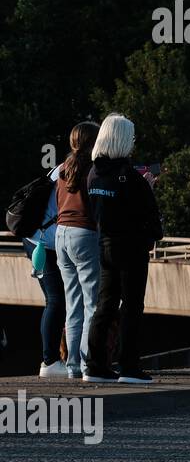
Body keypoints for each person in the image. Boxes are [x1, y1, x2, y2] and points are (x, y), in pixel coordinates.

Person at [83, 114, 164, 385]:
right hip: (131, 247)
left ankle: (94, 365)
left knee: (104, 305)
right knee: (131, 306)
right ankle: (129, 366)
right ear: (122, 139)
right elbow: (148, 215)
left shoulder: (93, 173)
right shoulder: (129, 177)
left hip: (104, 244)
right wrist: (149, 188)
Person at [54, 121, 101, 379]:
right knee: (92, 304)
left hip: (62, 235)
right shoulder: (93, 170)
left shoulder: (62, 169)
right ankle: (87, 365)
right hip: (84, 234)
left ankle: (72, 366)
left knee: (73, 304)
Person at [23, 161, 66, 377]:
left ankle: (55, 360)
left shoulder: (62, 167)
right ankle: (49, 362)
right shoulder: (72, 170)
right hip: (44, 242)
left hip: (39, 238)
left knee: (58, 299)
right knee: (56, 299)